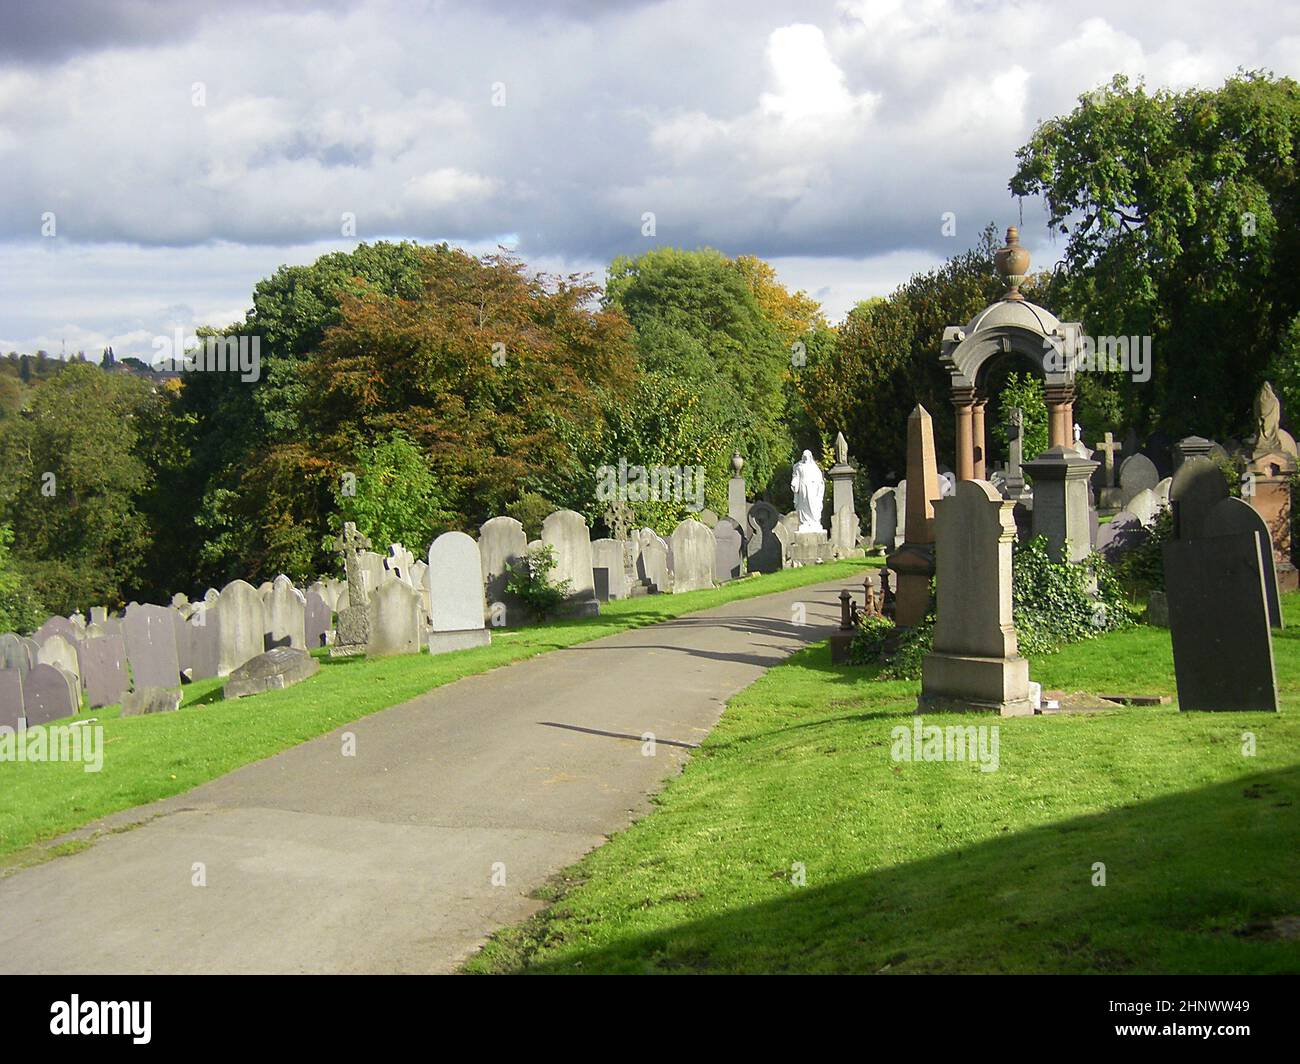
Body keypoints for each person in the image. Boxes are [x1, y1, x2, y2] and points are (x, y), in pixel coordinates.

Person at [790, 450, 825, 533]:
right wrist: (794, 482)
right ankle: (804, 522)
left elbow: (819, 480)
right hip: (802, 487)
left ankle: (814, 521)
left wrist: (818, 487)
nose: (805, 459)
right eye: (804, 457)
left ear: (810, 457)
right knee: (803, 504)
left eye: (807, 457)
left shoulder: (814, 468)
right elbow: (796, 477)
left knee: (812, 504)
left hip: (812, 487)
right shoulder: (798, 466)